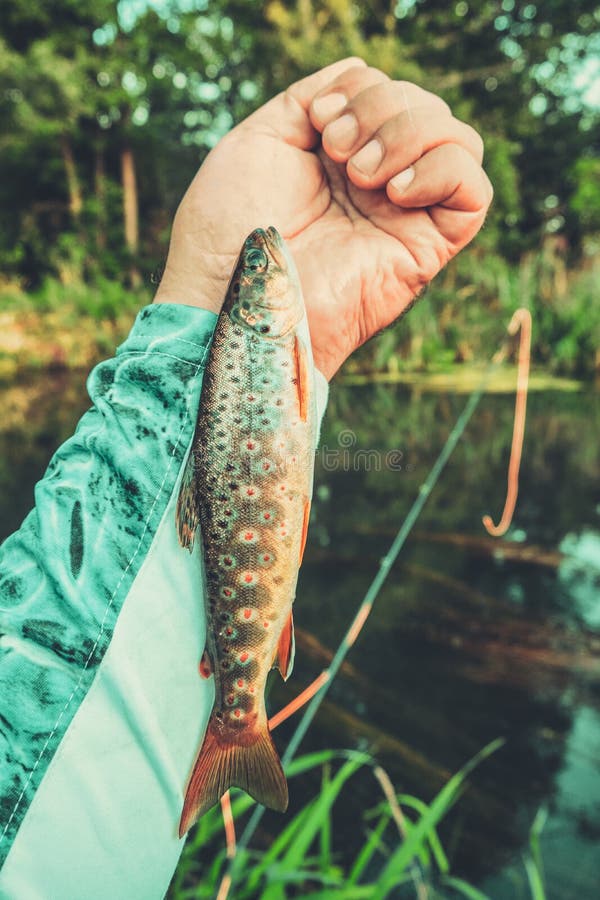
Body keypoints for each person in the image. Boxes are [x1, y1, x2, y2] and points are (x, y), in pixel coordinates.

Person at [0, 58, 492, 899]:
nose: (264, 264)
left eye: (251, 276)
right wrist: (207, 300)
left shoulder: (271, 328)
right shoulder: (272, 323)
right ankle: (239, 720)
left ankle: (239, 712)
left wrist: (197, 325)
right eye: (257, 277)